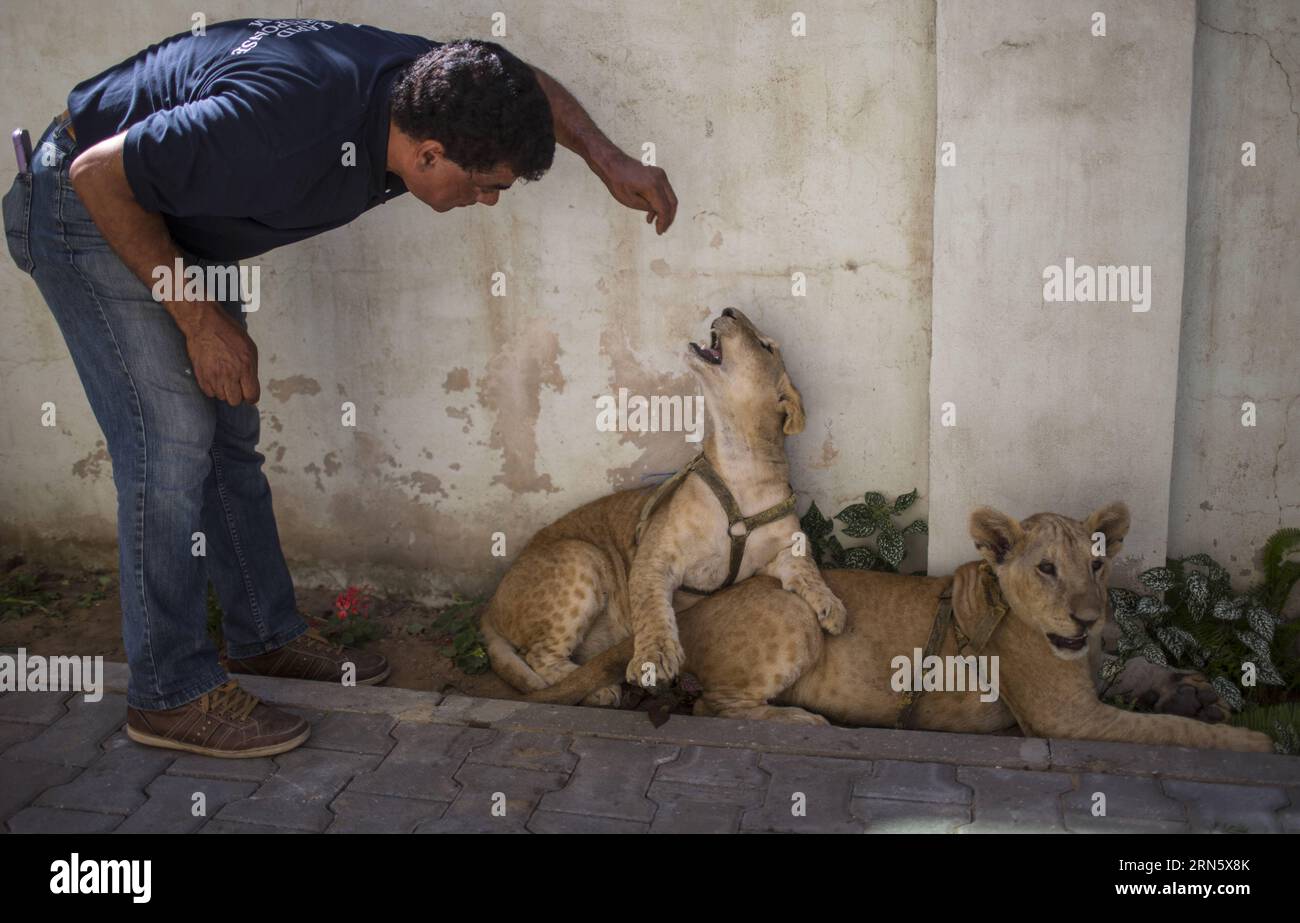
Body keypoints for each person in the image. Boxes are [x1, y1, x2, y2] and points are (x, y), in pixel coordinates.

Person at [1, 17, 677, 758]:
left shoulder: (434, 86)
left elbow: (522, 84)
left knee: (227, 426)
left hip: (172, 215)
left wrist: (608, 160)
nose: (488, 203)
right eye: (486, 188)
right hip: (84, 207)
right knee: (168, 442)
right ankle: (169, 691)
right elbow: (99, 173)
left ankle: (263, 634)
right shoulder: (280, 120)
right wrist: (197, 320)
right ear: (428, 153)